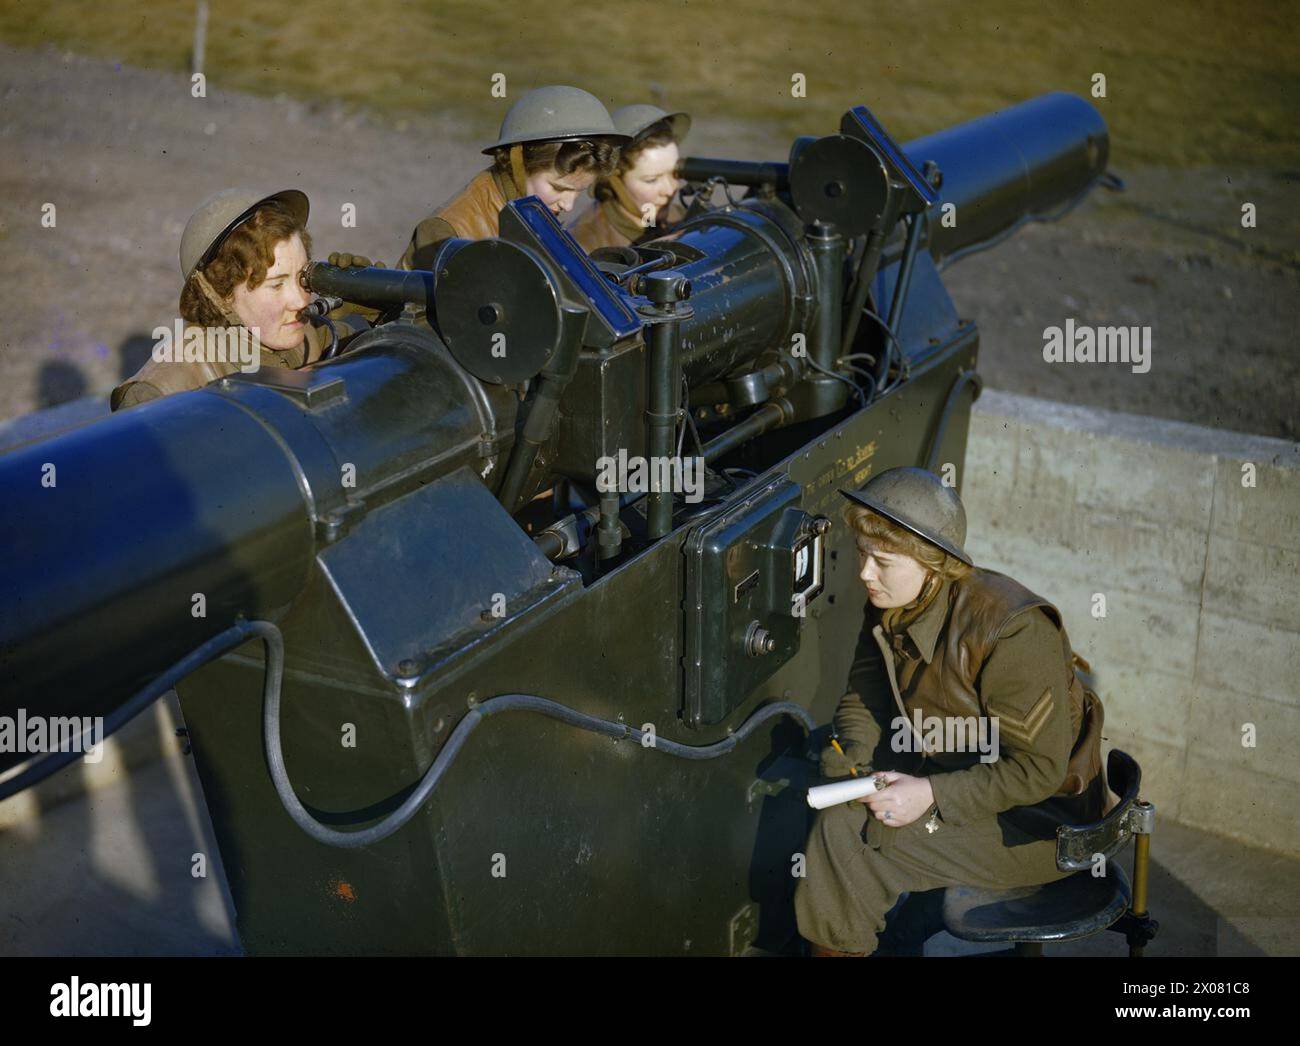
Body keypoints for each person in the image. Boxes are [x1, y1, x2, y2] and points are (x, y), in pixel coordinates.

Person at [794, 466, 1107, 956]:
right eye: (862, 554)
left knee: (848, 842)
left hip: (1038, 825)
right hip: (962, 779)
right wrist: (853, 768)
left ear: (932, 563)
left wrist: (929, 794)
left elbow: (1039, 771)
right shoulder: (892, 600)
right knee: (827, 800)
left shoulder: (1012, 631)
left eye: (882, 561)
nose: (864, 574)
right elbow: (865, 695)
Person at [112, 188, 335, 410]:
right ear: (222, 292)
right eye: (276, 285)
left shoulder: (311, 332)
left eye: (303, 278)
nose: (300, 301)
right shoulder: (155, 395)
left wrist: (363, 291)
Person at [397, 86, 627, 271]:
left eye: (578, 191)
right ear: (519, 164)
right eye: (558, 188)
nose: (568, 205)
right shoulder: (447, 233)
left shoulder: (531, 213)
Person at [569, 104, 690, 252]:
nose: (670, 189)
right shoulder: (584, 246)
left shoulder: (680, 216)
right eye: (652, 180)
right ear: (613, 179)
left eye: (675, 174)